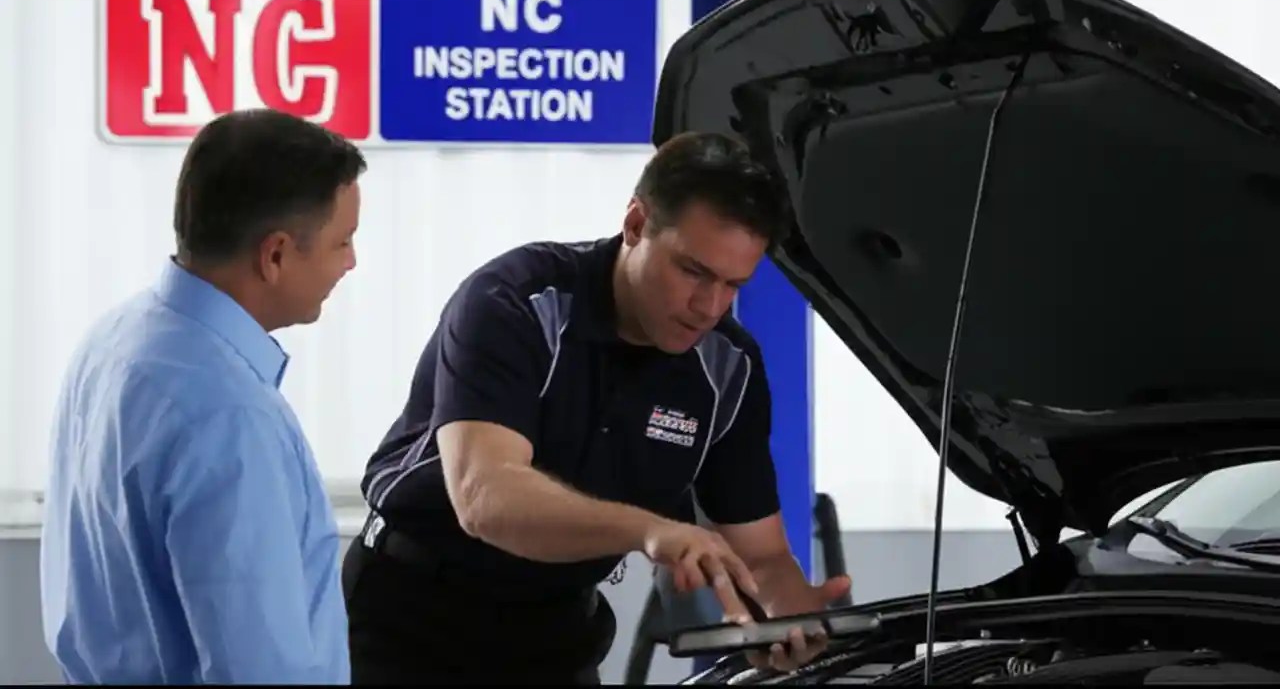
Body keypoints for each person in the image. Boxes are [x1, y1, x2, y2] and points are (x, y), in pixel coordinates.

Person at [342, 131, 852, 684]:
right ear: (636, 224)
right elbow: (484, 497)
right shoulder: (514, 304)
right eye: (693, 271)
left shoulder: (729, 368)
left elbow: (762, 558)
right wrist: (651, 531)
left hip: (556, 632)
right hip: (411, 615)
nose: (708, 306)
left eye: (733, 284)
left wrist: (785, 614)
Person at [39, 108, 365, 684]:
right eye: (343, 242)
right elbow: (260, 671)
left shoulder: (115, 340)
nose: (351, 262)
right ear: (276, 255)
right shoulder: (230, 419)